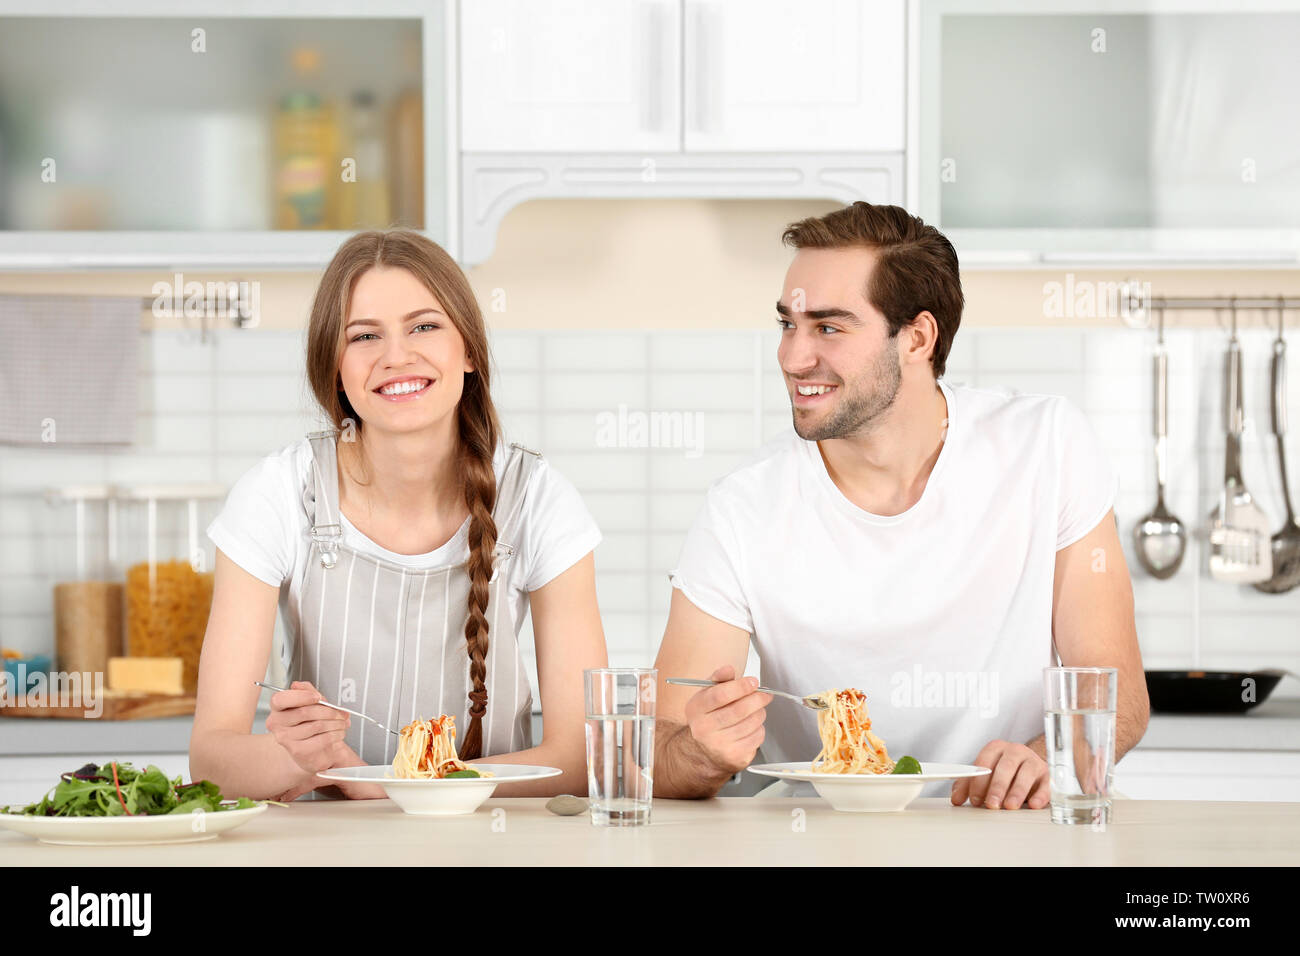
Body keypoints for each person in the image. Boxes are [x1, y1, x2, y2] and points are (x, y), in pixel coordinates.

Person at [652, 202, 1149, 809]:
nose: (792, 357)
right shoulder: (742, 506)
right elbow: (661, 748)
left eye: (828, 328)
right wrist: (701, 752)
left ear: (917, 337)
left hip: (1003, 832)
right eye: (788, 324)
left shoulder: (1046, 446)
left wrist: (1051, 759)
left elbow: (1114, 697)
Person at [191, 229, 607, 801]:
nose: (396, 356)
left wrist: (383, 786)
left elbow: (581, 755)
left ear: (469, 351)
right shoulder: (276, 494)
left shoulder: (539, 499)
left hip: (494, 847)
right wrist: (303, 760)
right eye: (364, 335)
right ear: (333, 366)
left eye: (425, 326)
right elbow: (211, 759)